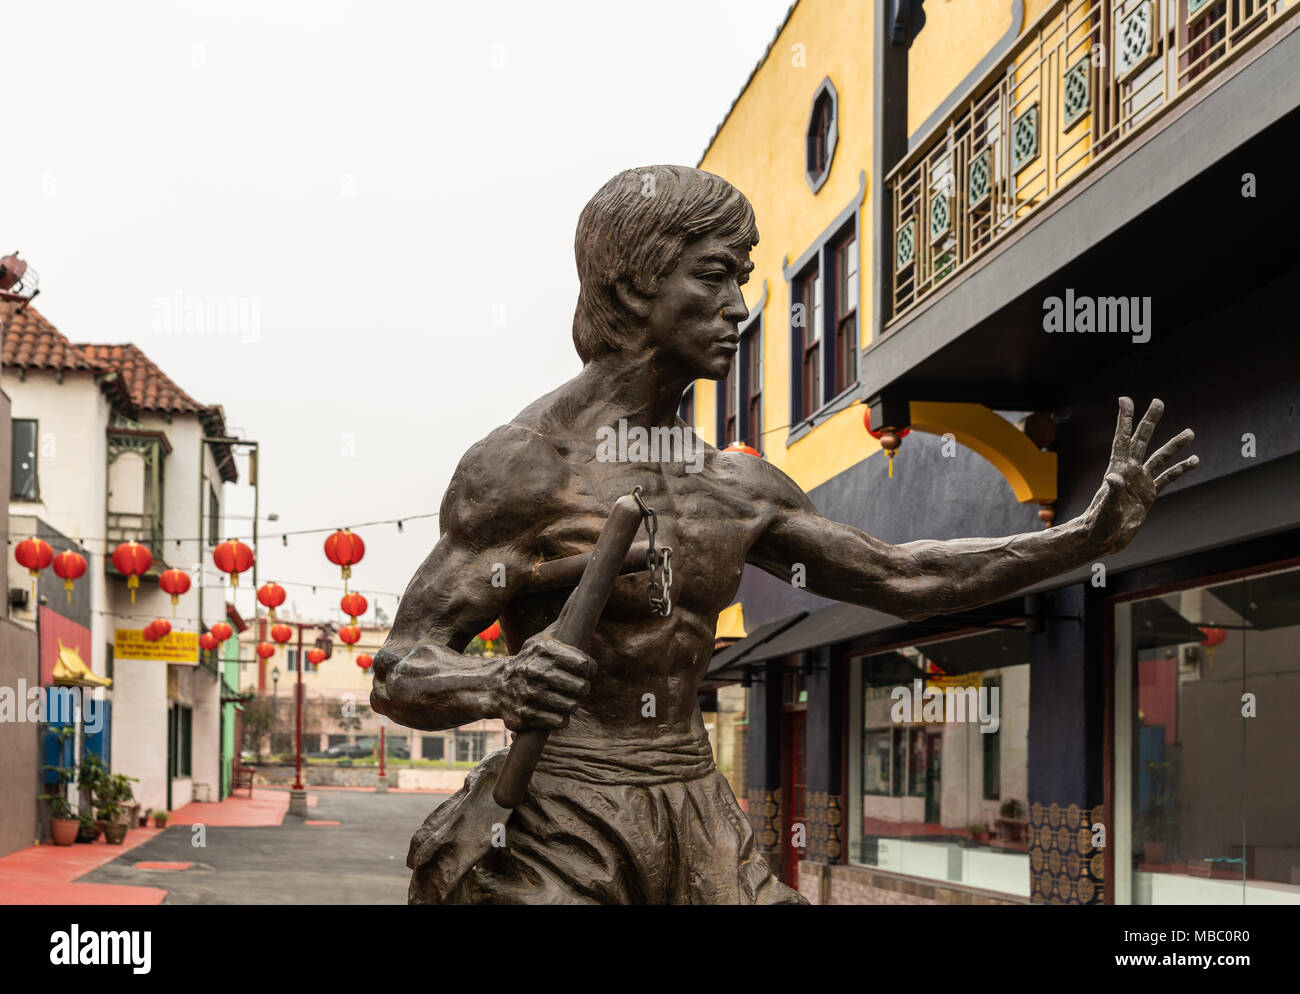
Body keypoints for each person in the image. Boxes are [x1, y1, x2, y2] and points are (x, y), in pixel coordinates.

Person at [371, 165, 1197, 904]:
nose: (739, 306)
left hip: (695, 800)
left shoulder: (734, 484)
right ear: (632, 289)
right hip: (561, 806)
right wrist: (500, 684)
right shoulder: (527, 468)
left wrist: (1081, 540)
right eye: (713, 277)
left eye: (744, 279)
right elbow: (403, 665)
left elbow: (897, 575)